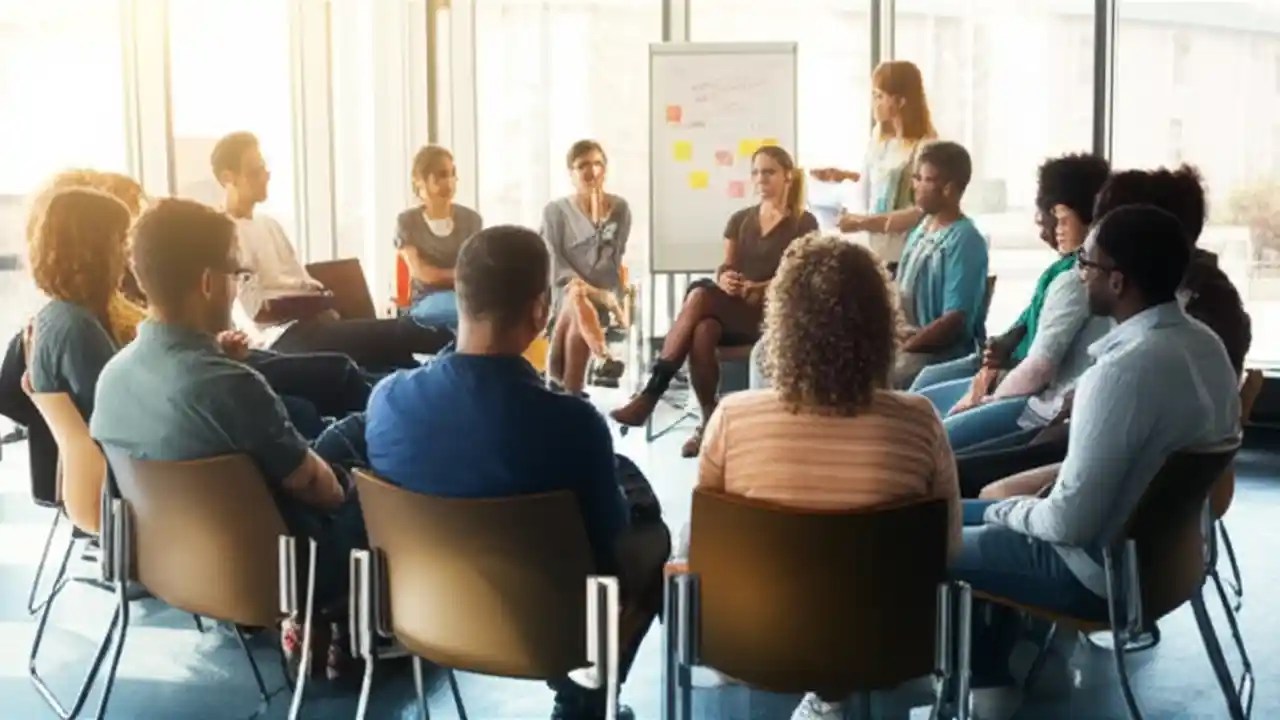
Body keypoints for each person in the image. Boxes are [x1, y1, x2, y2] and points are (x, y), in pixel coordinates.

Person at [365, 225, 668, 720]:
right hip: (547, 629)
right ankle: (581, 703)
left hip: (425, 616)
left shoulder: (387, 402)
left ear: (459, 300)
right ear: (539, 311)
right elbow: (609, 541)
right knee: (648, 537)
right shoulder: (573, 424)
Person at [951, 204, 1240, 687]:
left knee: (917, 537)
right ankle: (998, 672)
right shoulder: (1206, 347)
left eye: (1086, 263)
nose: (1079, 274)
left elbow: (1067, 523)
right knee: (952, 510)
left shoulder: (1121, 372)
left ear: (1118, 281)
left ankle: (978, 683)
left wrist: (1003, 507)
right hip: (1165, 565)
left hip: (1092, 574)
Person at [90, 198, 368, 679]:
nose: (238, 285)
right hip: (278, 571)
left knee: (340, 436)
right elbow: (323, 492)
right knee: (376, 471)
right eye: (237, 273)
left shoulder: (112, 377)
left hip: (170, 566)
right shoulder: (227, 384)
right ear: (207, 282)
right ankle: (352, 623)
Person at [690, 234, 961, 720]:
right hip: (890, 646)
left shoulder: (732, 418)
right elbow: (949, 549)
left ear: (783, 327)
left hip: (752, 642)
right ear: (882, 326)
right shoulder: (919, 421)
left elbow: (700, 549)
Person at [951, 164, 1253, 497]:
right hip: (1125, 459)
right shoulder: (1191, 307)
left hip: (1127, 471)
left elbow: (1076, 510)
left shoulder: (1173, 323)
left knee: (952, 480)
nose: (1098, 242)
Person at [17, 169, 371, 439]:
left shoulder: (62, 318)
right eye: (117, 241)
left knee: (325, 386)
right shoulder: (77, 328)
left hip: (166, 448)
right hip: (168, 451)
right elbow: (123, 417)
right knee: (323, 394)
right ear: (91, 250)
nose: (125, 254)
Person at [611, 145, 817, 457]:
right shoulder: (740, 219)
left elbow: (803, 278)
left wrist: (761, 287)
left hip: (773, 315)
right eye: (756, 172)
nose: (761, 178)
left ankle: (652, 394)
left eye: (769, 172)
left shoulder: (804, 222)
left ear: (787, 176)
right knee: (704, 327)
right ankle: (707, 421)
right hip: (737, 309)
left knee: (700, 296)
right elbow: (727, 266)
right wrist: (726, 279)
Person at [911, 154, 1113, 451]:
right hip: (1019, 382)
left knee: (933, 441)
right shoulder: (1063, 274)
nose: (1039, 219)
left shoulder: (1074, 281)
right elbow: (1027, 324)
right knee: (923, 400)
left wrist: (984, 398)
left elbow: (1038, 368)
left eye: (1048, 211)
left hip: (1032, 401)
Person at [213, 131, 452, 370]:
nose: (265, 177)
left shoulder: (269, 224)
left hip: (311, 322)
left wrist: (323, 301)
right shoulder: (227, 234)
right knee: (401, 332)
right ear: (228, 178)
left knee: (396, 358)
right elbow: (257, 312)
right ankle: (471, 343)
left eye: (265, 169)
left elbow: (302, 282)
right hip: (282, 337)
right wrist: (318, 304)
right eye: (255, 171)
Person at [811, 59, 938, 265]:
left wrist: (863, 223)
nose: (874, 103)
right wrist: (844, 176)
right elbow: (883, 185)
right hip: (875, 250)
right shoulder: (880, 139)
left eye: (879, 96)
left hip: (905, 254)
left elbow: (920, 209)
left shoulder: (925, 147)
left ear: (900, 101)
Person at [890, 141, 989, 389]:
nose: (915, 186)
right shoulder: (922, 228)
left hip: (940, 357)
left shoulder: (965, 239)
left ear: (948, 188)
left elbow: (953, 321)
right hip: (910, 341)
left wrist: (907, 346)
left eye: (924, 179)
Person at [543, 140, 632, 394]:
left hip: (605, 289)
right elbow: (554, 261)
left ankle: (563, 387)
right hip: (565, 289)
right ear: (571, 173)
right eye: (582, 165)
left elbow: (610, 263)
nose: (591, 171)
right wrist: (584, 288)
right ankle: (600, 359)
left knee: (578, 306)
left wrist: (594, 290)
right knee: (575, 297)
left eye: (597, 164)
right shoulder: (554, 212)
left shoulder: (620, 209)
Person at [396, 144, 484, 330]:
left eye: (452, 174)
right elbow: (422, 273)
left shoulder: (471, 220)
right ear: (420, 180)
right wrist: (460, 275)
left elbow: (477, 270)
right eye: (442, 175)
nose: (450, 182)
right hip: (426, 301)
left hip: (466, 295)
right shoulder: (408, 222)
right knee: (465, 312)